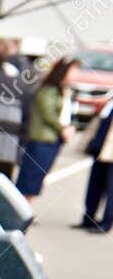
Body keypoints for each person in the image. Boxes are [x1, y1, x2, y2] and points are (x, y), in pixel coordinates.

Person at [16, 57, 75, 200]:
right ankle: (21, 209)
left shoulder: (63, 90)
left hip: (53, 138)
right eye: (73, 71)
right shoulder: (48, 89)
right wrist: (62, 128)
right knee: (31, 175)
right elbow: (48, 113)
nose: (75, 75)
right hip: (42, 138)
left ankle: (27, 207)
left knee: (38, 175)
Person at [78, 97, 113, 231]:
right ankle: (88, 218)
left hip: (110, 151)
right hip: (100, 147)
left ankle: (106, 223)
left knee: (111, 188)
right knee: (94, 184)